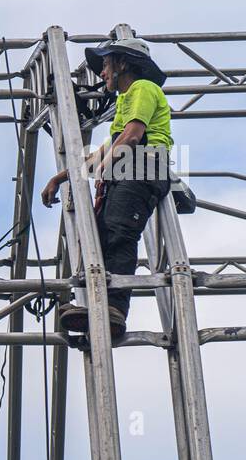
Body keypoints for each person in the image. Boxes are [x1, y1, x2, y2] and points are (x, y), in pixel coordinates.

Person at [40, 37, 173, 340]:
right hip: (126, 171)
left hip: (142, 168)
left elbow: (133, 135)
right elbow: (109, 148)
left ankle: (114, 308)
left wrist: (108, 162)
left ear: (123, 64)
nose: (102, 73)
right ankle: (96, 304)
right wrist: (60, 178)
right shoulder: (125, 101)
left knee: (119, 232)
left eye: (106, 65)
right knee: (98, 240)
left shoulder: (143, 89)